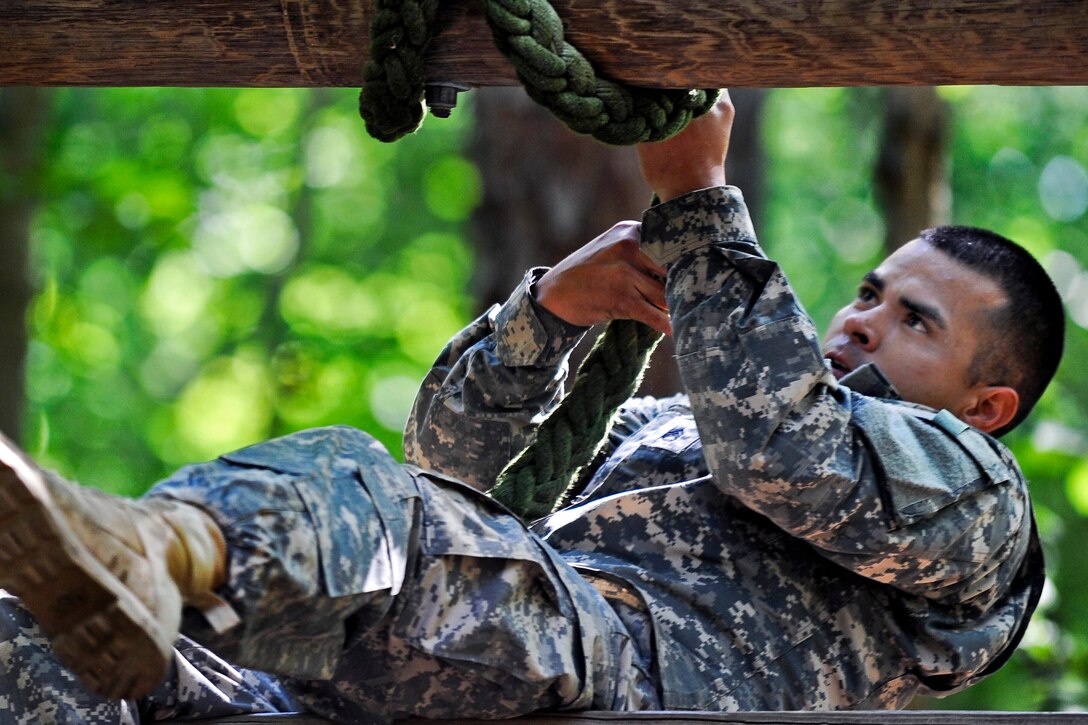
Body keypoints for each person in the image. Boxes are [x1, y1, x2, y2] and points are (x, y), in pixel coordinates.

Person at [0, 92, 1065, 723]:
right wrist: (549, 312)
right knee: (28, 635)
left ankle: (158, 551)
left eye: (914, 319)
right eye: (869, 291)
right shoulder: (677, 429)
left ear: (987, 402)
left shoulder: (976, 499)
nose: (862, 320)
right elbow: (453, 469)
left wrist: (697, 202)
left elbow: (783, 452)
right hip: (427, 675)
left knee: (369, 492)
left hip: (609, 686)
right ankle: (136, 567)